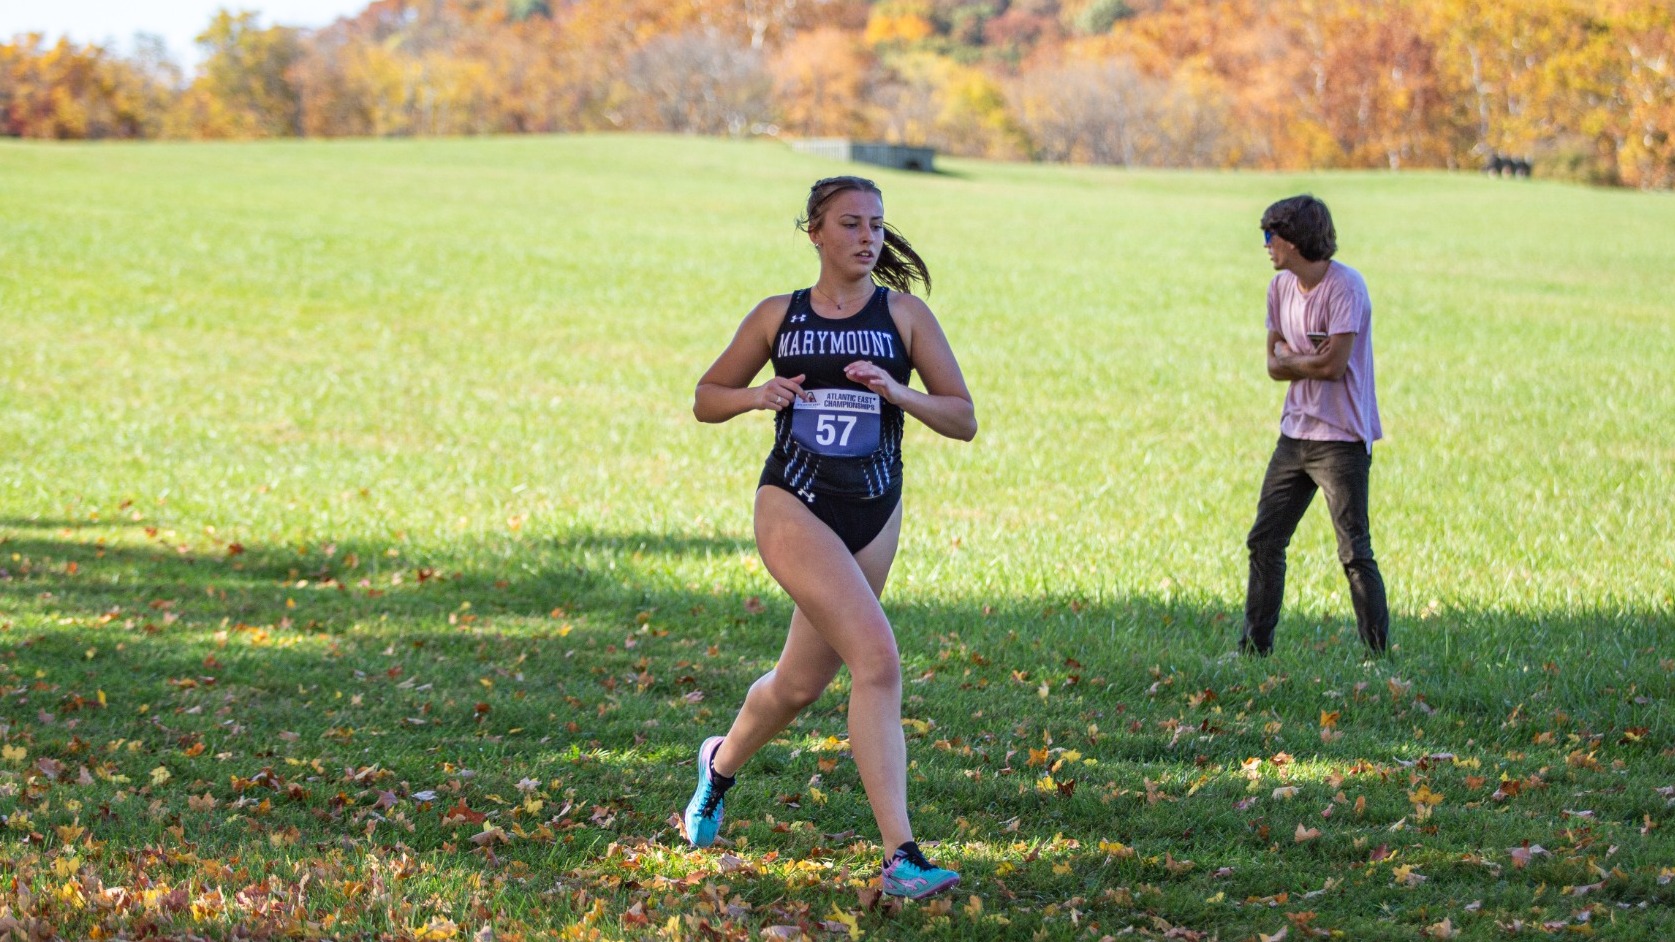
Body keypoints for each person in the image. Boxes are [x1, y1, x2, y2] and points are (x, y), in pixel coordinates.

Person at [687, 175, 975, 900]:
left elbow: (962, 417)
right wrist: (756, 395)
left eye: (876, 224)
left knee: (798, 685)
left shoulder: (904, 315)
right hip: (794, 502)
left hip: (874, 510)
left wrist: (897, 391)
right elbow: (706, 399)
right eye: (850, 224)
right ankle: (901, 857)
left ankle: (718, 765)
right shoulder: (777, 316)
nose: (867, 237)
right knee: (876, 659)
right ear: (815, 232)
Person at [1240, 195, 1390, 657]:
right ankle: (1253, 649)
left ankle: (1377, 655)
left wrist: (1293, 357)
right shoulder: (1279, 288)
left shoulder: (1346, 287)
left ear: (1294, 240)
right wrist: (1302, 360)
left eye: (1271, 235)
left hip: (1341, 439)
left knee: (1354, 551)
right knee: (1265, 541)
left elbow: (1334, 367)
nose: (1266, 245)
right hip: (1294, 434)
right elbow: (1273, 366)